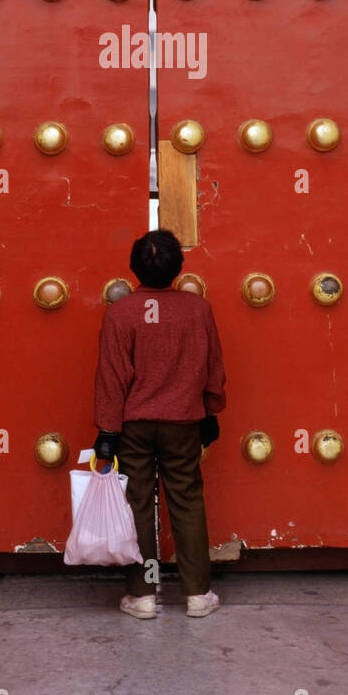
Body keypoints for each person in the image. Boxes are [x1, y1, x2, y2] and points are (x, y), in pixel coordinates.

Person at [93, 229, 227, 618]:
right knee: (186, 501)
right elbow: (212, 368)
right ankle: (198, 593)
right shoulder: (197, 310)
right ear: (178, 269)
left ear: (133, 268)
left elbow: (111, 377)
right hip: (184, 420)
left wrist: (106, 429)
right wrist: (211, 411)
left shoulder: (121, 313)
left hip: (134, 425)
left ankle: (144, 593)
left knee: (139, 505)